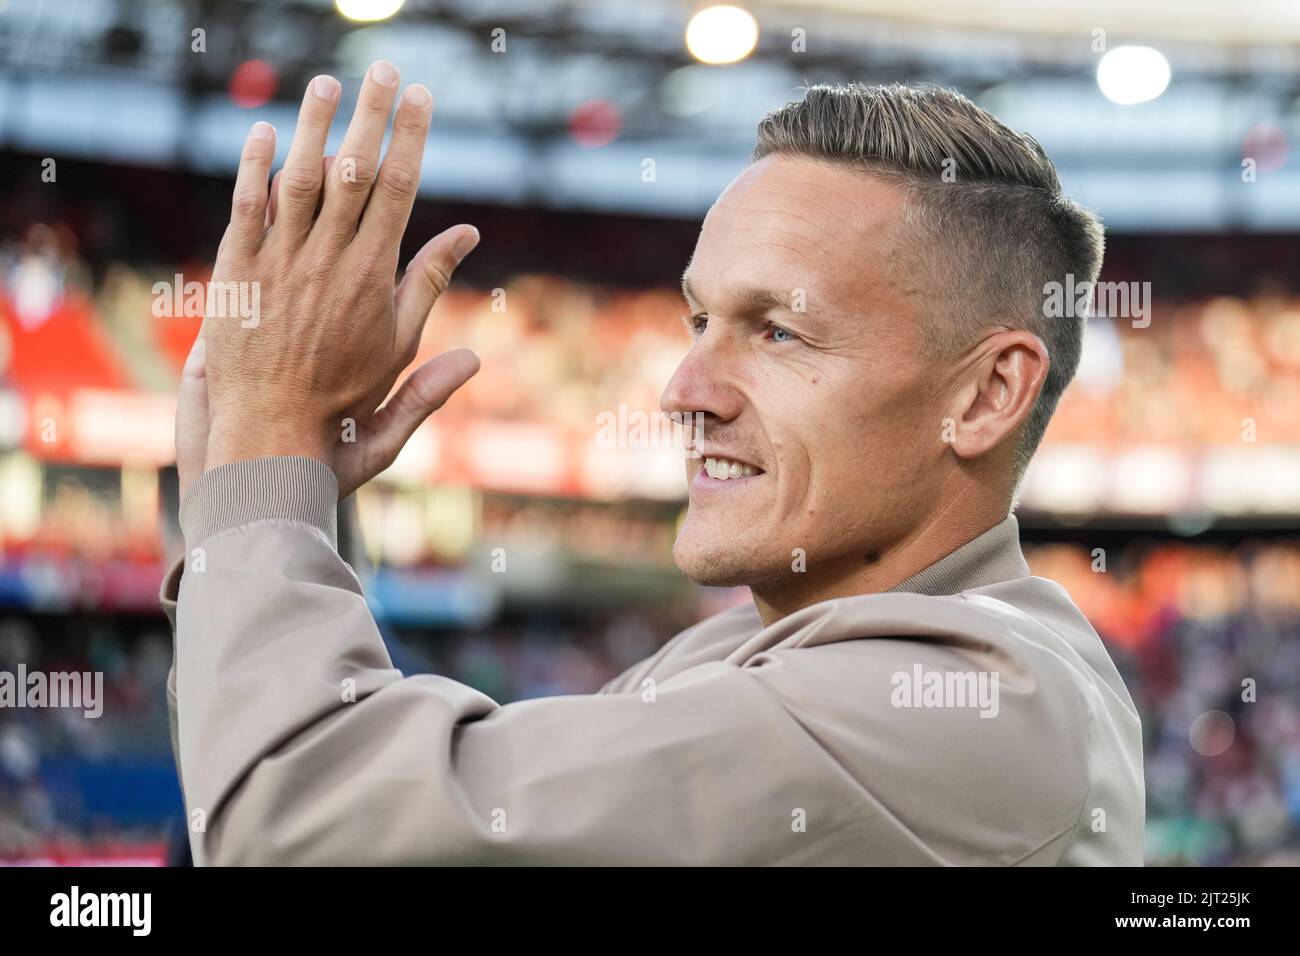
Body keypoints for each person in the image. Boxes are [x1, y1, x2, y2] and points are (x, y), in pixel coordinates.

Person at [162, 62, 1143, 865]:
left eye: (781, 332)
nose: (684, 387)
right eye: (699, 319)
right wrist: (272, 508)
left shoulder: (961, 706)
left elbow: (291, 828)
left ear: (984, 394)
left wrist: (264, 454)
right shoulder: (752, 653)